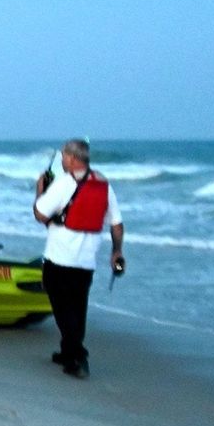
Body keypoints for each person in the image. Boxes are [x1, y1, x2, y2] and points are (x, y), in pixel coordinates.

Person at [33, 138, 125, 379]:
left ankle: (78, 355)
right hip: (86, 261)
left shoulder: (64, 183)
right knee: (77, 307)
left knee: (62, 310)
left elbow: (41, 214)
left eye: (64, 156)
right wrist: (117, 251)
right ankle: (67, 352)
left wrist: (40, 191)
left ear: (73, 158)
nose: (62, 160)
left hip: (59, 258)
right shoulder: (103, 184)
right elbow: (117, 224)